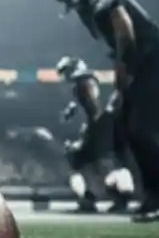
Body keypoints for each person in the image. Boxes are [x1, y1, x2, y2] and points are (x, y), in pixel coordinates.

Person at [54, 0, 159, 222]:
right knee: (131, 131)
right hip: (148, 65)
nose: (74, 6)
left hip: (152, 65)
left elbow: (125, 37)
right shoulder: (105, 3)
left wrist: (123, 79)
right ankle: (154, 195)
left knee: (140, 131)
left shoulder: (105, 2)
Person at [55, 56, 135, 213]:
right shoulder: (89, 81)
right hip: (108, 125)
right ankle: (120, 194)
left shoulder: (81, 83)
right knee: (104, 163)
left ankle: (88, 198)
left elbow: (93, 110)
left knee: (76, 163)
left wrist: (84, 137)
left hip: (99, 127)